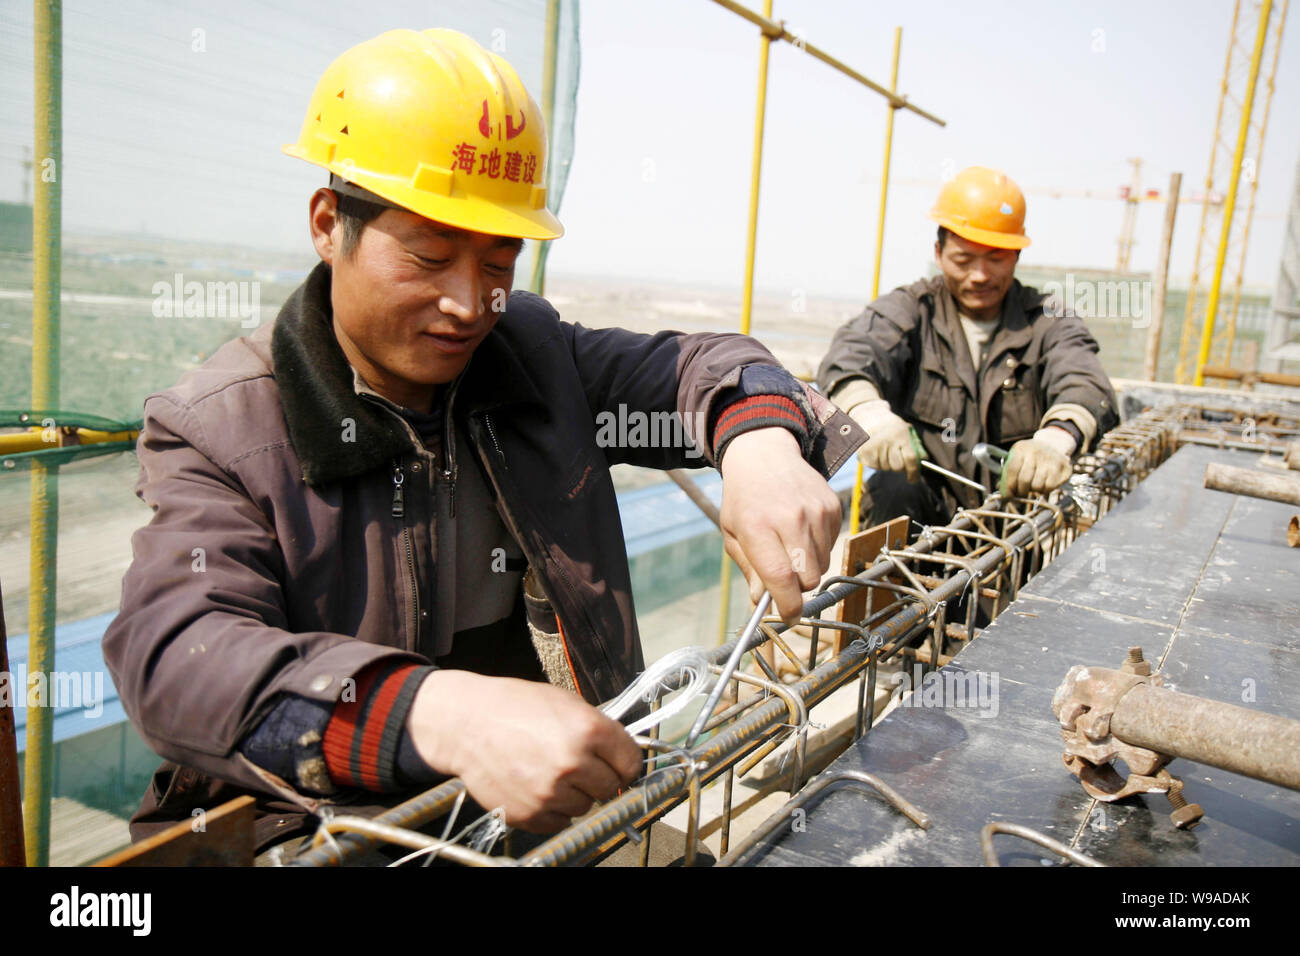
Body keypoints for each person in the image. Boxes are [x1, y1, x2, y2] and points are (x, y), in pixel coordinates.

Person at [101, 28, 864, 853]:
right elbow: (175, 658)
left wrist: (761, 447)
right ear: (329, 225)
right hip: (332, 838)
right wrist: (437, 715)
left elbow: (709, 366)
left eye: (499, 261)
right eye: (430, 256)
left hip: (546, 820)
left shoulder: (531, 358)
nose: (470, 304)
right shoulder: (222, 429)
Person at [817, 166, 1118, 527]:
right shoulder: (911, 310)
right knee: (895, 487)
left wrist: (1054, 441)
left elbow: (1085, 381)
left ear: (1017, 257)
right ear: (939, 252)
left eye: (996, 259)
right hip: (919, 522)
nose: (980, 275)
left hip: (1013, 527)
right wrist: (872, 417)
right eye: (963, 260)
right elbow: (850, 355)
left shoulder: (1048, 321)